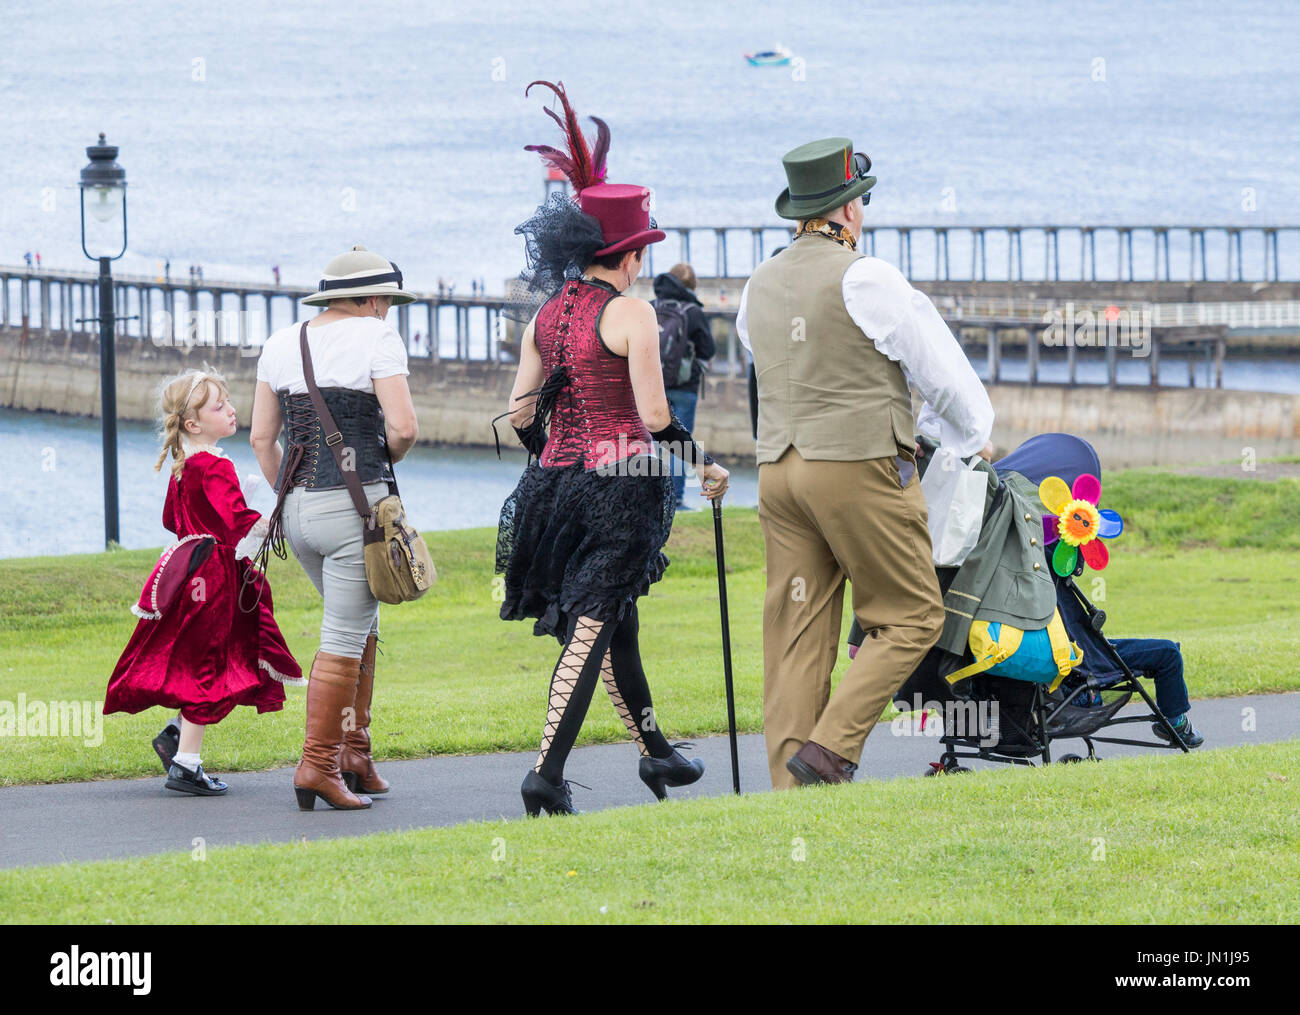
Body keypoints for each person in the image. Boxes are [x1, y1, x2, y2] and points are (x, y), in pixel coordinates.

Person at [496, 80, 730, 816]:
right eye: (640, 251)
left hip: (556, 489)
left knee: (615, 616)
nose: (641, 262)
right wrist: (706, 467)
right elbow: (656, 415)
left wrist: (554, 454)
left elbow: (518, 410)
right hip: (622, 486)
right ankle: (546, 774)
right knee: (592, 627)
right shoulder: (631, 312)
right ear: (625, 255)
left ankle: (656, 752)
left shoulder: (547, 313)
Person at [737, 137, 994, 789]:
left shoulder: (757, 287)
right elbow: (946, 380)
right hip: (855, 465)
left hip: (778, 471)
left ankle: (793, 794)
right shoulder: (867, 276)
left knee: (797, 634)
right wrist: (965, 441)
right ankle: (829, 749)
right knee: (911, 614)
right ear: (849, 210)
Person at [250, 244, 420, 811]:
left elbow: (261, 439)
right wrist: (374, 466)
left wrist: (294, 495)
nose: (389, 311)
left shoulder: (281, 342)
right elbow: (403, 428)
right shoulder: (376, 337)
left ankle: (355, 750)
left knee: (359, 624)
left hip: (295, 512)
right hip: (358, 510)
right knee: (345, 638)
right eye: (388, 302)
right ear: (372, 299)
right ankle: (317, 766)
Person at [104, 367, 303, 796]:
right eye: (220, 406)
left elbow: (172, 519)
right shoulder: (213, 465)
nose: (231, 410)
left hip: (187, 570)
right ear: (193, 423)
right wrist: (271, 523)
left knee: (198, 657)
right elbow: (235, 521)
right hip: (213, 576)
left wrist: (214, 527)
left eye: (229, 402)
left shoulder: (186, 463)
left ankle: (176, 737)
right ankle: (186, 765)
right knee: (209, 664)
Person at [651, 262, 716, 510]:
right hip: (685, 386)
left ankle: (650, 498)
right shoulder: (693, 311)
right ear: (691, 286)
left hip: (654, 383)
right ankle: (676, 500)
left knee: (651, 442)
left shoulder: (651, 306)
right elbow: (708, 349)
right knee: (680, 443)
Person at [1105, 638, 1205, 747]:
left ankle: (1174, 721)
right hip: (1095, 655)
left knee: (1166, 650)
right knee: (1169, 653)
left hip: (1089, 654)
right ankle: (1175, 723)